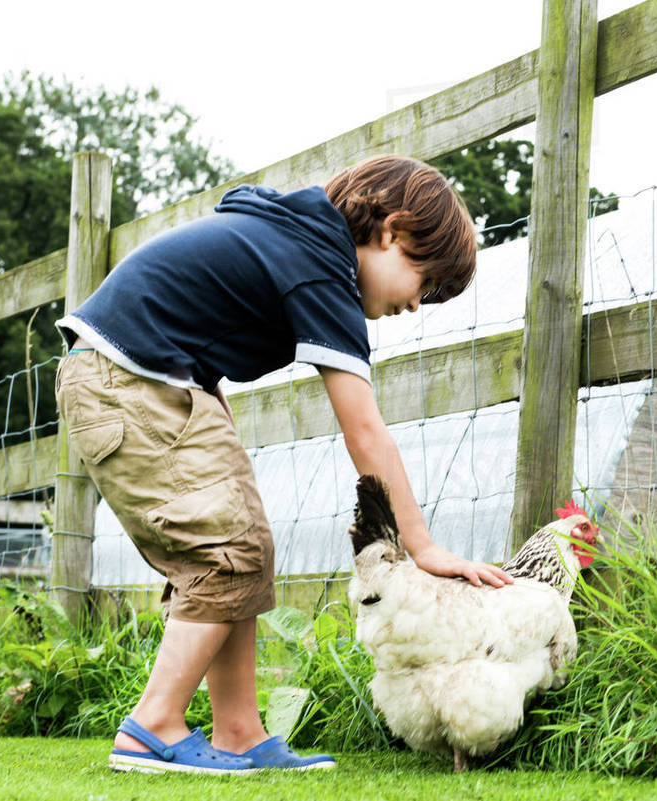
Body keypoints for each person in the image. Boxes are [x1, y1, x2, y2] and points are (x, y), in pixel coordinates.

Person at [54, 155, 513, 775]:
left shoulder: (295, 238)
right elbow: (365, 429)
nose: (417, 304)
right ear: (391, 231)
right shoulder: (322, 263)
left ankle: (239, 731)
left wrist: (212, 419)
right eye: (422, 280)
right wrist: (422, 544)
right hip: (129, 383)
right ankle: (152, 726)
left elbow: (193, 313)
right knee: (225, 550)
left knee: (246, 545)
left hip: (147, 378)